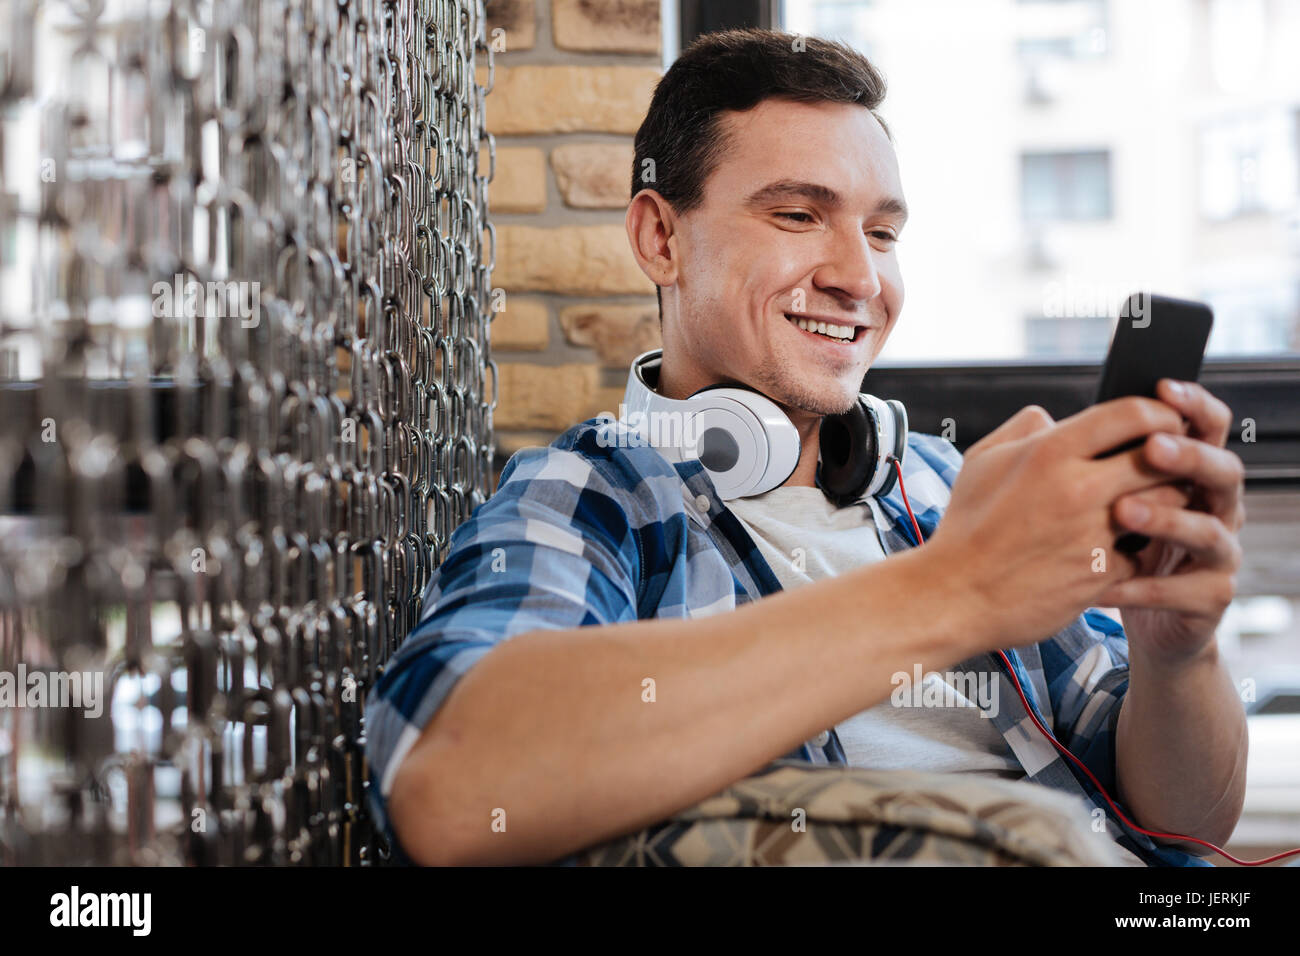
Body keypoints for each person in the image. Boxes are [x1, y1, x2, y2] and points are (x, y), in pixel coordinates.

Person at [365, 28, 1248, 867]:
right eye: (796, 214)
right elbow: (449, 785)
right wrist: (959, 590)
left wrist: (1177, 653)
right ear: (659, 238)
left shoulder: (943, 489)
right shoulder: (597, 492)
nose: (860, 277)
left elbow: (1183, 826)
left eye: (883, 233)